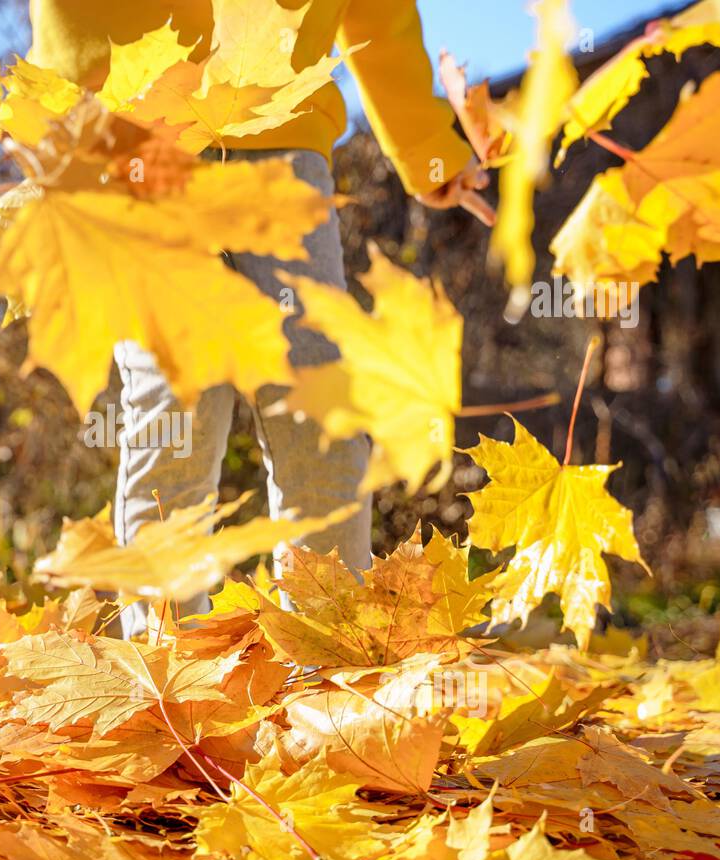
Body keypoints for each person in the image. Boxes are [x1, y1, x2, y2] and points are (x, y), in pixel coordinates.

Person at [27, 1, 493, 636]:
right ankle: (166, 673)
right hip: (141, 146)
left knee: (318, 410)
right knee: (175, 417)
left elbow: (378, 14)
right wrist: (65, 114)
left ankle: (330, 654)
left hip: (283, 143)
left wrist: (427, 148)